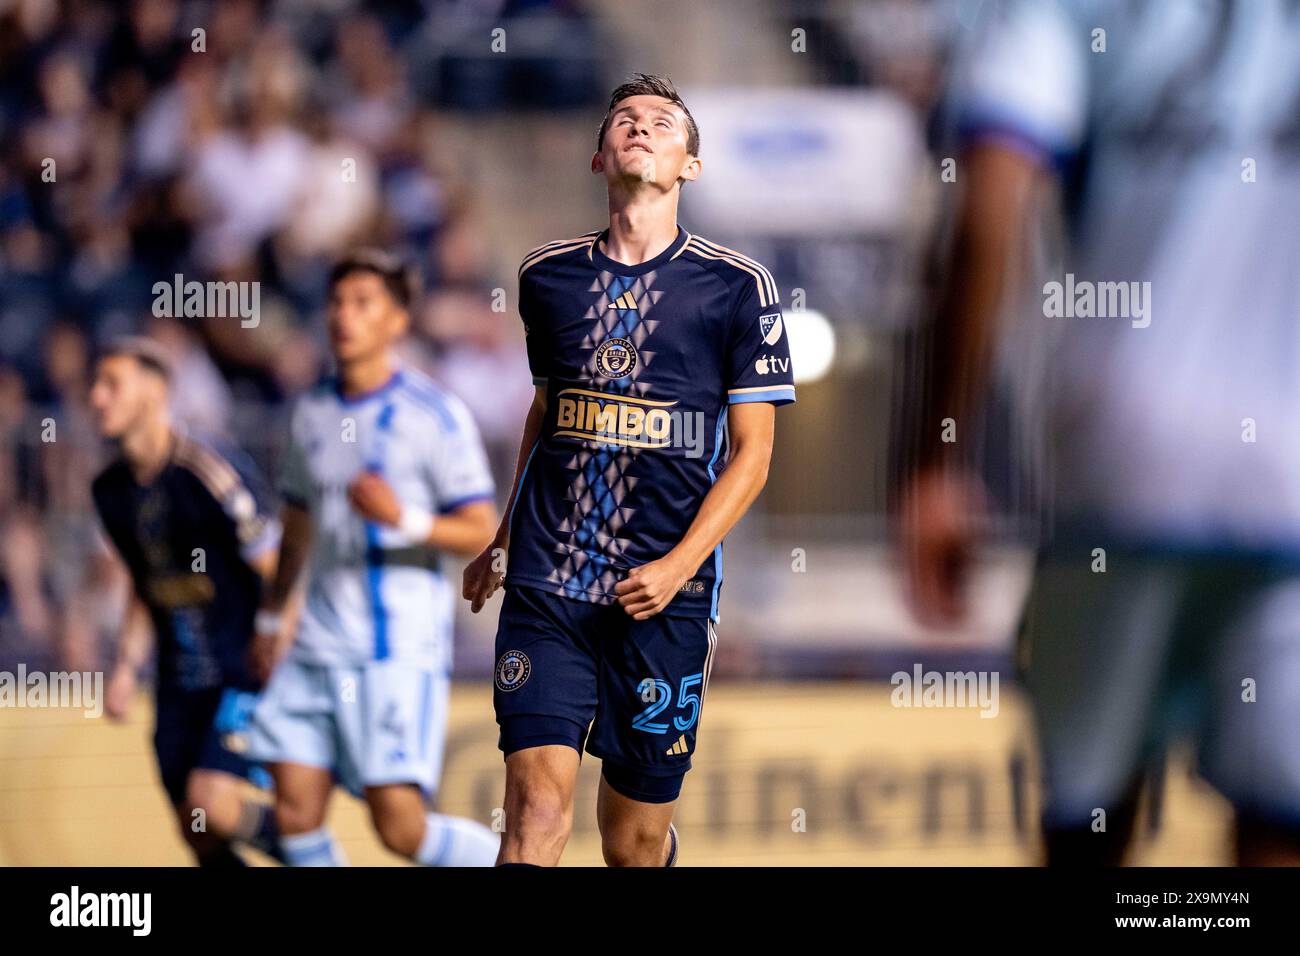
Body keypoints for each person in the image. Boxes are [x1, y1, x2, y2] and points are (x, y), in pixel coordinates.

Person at [901, 0, 1300, 865]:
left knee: (1086, 823)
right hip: (1291, 480)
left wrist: (938, 458)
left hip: (1121, 450)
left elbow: (990, 204)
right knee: (1280, 824)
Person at [462, 74, 797, 866]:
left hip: (663, 598)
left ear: (691, 165)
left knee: (631, 845)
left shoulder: (738, 288)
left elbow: (753, 456)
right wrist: (504, 535)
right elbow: (548, 412)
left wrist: (680, 567)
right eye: (624, 120)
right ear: (597, 156)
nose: (641, 129)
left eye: (662, 123)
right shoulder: (546, 277)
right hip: (550, 581)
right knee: (535, 810)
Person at [247, 250, 501, 866]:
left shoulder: (434, 416)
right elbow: (298, 520)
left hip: (392, 649)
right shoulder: (310, 413)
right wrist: (273, 616)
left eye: (363, 303)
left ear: (396, 321)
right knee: (295, 812)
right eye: (336, 302)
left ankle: (515, 860)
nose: (344, 316)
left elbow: (484, 532)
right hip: (314, 643)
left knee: (401, 830)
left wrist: (403, 519)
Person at [90, 337, 283, 866]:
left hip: (239, 672)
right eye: (95, 385)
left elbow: (276, 566)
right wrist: (126, 666)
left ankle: (310, 847)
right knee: (197, 831)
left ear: (155, 392)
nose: (96, 398)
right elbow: (144, 581)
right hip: (177, 685)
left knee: (213, 805)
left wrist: (279, 648)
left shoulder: (208, 470)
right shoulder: (110, 490)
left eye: (112, 384)